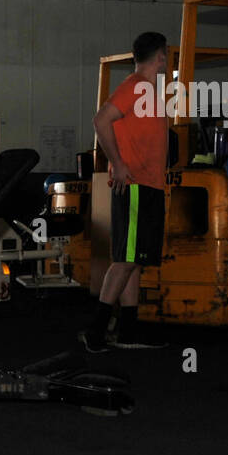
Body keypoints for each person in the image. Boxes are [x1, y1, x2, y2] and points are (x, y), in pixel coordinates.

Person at [79, 31, 170, 352]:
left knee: (134, 260)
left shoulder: (147, 91)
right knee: (124, 260)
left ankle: (129, 330)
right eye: (165, 55)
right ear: (161, 56)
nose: (166, 60)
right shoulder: (134, 87)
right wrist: (116, 162)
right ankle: (95, 331)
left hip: (149, 185)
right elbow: (101, 120)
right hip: (135, 186)